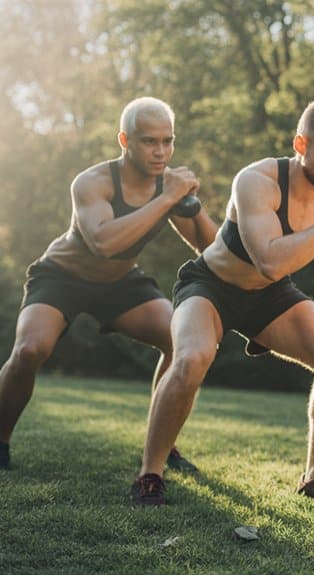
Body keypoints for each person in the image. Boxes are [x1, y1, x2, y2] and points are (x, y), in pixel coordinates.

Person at [129, 98, 314, 507]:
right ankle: (150, 474)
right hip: (211, 286)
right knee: (192, 358)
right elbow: (270, 261)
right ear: (301, 144)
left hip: (268, 296)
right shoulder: (257, 181)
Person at [0, 97, 217, 472]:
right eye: (149, 141)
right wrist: (167, 197)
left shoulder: (169, 186)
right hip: (62, 277)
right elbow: (103, 243)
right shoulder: (92, 182)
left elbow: (213, 251)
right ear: (125, 140)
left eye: (167, 141)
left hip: (120, 282)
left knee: (182, 341)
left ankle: (162, 444)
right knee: (30, 350)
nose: (160, 151)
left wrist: (193, 206)